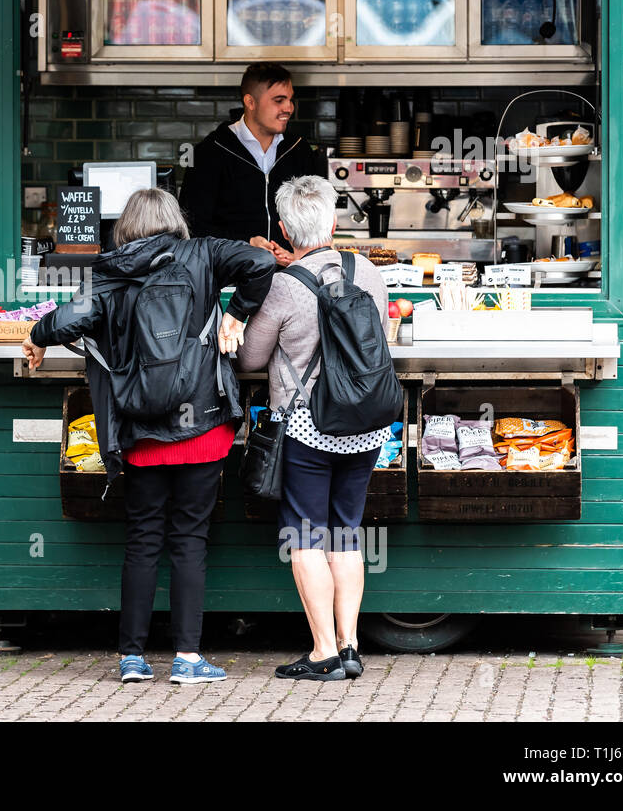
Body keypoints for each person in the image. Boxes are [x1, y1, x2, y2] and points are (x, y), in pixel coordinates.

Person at [22, 188, 275, 685]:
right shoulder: (203, 253)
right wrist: (237, 313)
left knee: (141, 542)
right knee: (189, 542)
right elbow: (261, 262)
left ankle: (132, 659)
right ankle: (186, 659)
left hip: (138, 431)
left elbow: (70, 320)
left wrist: (36, 334)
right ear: (175, 220)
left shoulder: (111, 271)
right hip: (201, 426)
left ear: (126, 227)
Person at [234, 175, 392, 682]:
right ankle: (350, 645)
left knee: (305, 535)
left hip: (307, 427)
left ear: (283, 227)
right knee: (346, 532)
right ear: (333, 220)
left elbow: (252, 357)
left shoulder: (284, 285)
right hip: (366, 427)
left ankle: (323, 651)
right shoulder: (368, 272)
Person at [179, 62, 327, 265]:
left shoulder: (299, 150)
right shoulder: (209, 152)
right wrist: (245, 243)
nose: (289, 108)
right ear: (250, 102)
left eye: (290, 100)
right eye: (279, 100)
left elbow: (317, 219)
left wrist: (300, 256)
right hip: (230, 281)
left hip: (291, 277)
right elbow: (191, 226)